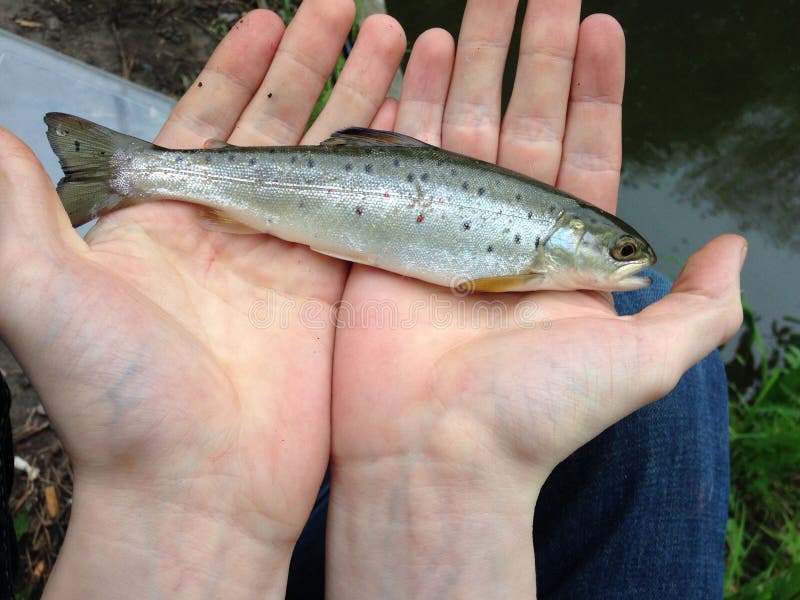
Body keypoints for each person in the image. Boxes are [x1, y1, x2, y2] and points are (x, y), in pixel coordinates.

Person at [0, 0, 744, 597]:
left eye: (621, 256)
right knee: (683, 388)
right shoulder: (527, 268)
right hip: (273, 201)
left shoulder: (543, 255)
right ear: (571, 237)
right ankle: (139, 173)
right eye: (618, 253)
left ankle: (139, 172)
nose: (626, 267)